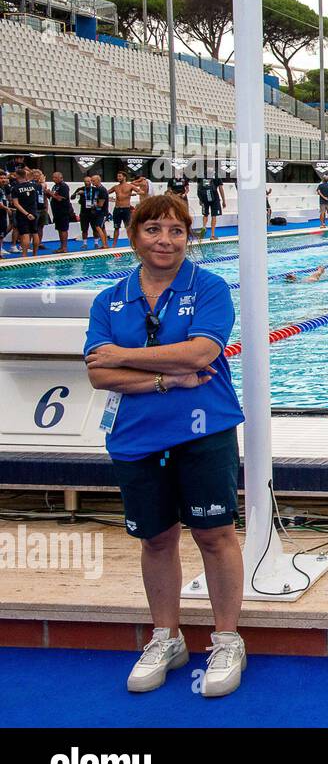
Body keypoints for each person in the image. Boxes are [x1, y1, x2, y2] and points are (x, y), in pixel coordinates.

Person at [82, 195, 246, 697]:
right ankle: (166, 637)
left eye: (176, 231)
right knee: (155, 539)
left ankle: (226, 638)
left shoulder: (211, 288)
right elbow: (97, 373)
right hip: (136, 438)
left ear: (188, 238)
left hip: (204, 432)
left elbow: (202, 352)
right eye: (154, 229)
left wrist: (127, 357)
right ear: (134, 236)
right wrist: (169, 379)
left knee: (214, 534)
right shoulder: (109, 298)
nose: (165, 240)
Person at [8, 166, 44, 257]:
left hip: (23, 214)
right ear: (25, 175)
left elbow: (16, 204)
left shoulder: (15, 188)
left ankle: (24, 255)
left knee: (25, 234)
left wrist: (26, 214)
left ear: (17, 176)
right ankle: (35, 254)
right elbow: (42, 185)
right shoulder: (35, 185)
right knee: (35, 233)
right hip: (34, 212)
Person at [76, 173, 110, 250]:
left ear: (98, 181)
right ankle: (106, 244)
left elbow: (100, 204)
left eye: (93, 181)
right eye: (91, 181)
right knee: (102, 228)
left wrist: (91, 206)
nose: (92, 182)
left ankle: (104, 244)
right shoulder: (97, 189)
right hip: (98, 212)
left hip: (102, 212)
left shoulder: (102, 190)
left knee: (97, 227)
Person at [109, 172, 141, 246]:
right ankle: (114, 245)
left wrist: (134, 194)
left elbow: (141, 191)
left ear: (124, 177)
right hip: (117, 209)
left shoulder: (130, 186)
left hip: (126, 209)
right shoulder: (115, 187)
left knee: (128, 227)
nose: (118, 178)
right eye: (117, 176)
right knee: (116, 228)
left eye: (120, 176)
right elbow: (105, 192)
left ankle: (132, 243)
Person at [195, 172, 226, 242]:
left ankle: (204, 227)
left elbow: (198, 188)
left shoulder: (202, 175)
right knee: (214, 216)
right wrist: (224, 200)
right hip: (214, 198)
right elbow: (221, 189)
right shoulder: (216, 175)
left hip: (204, 198)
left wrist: (200, 199)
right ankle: (212, 235)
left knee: (205, 214)